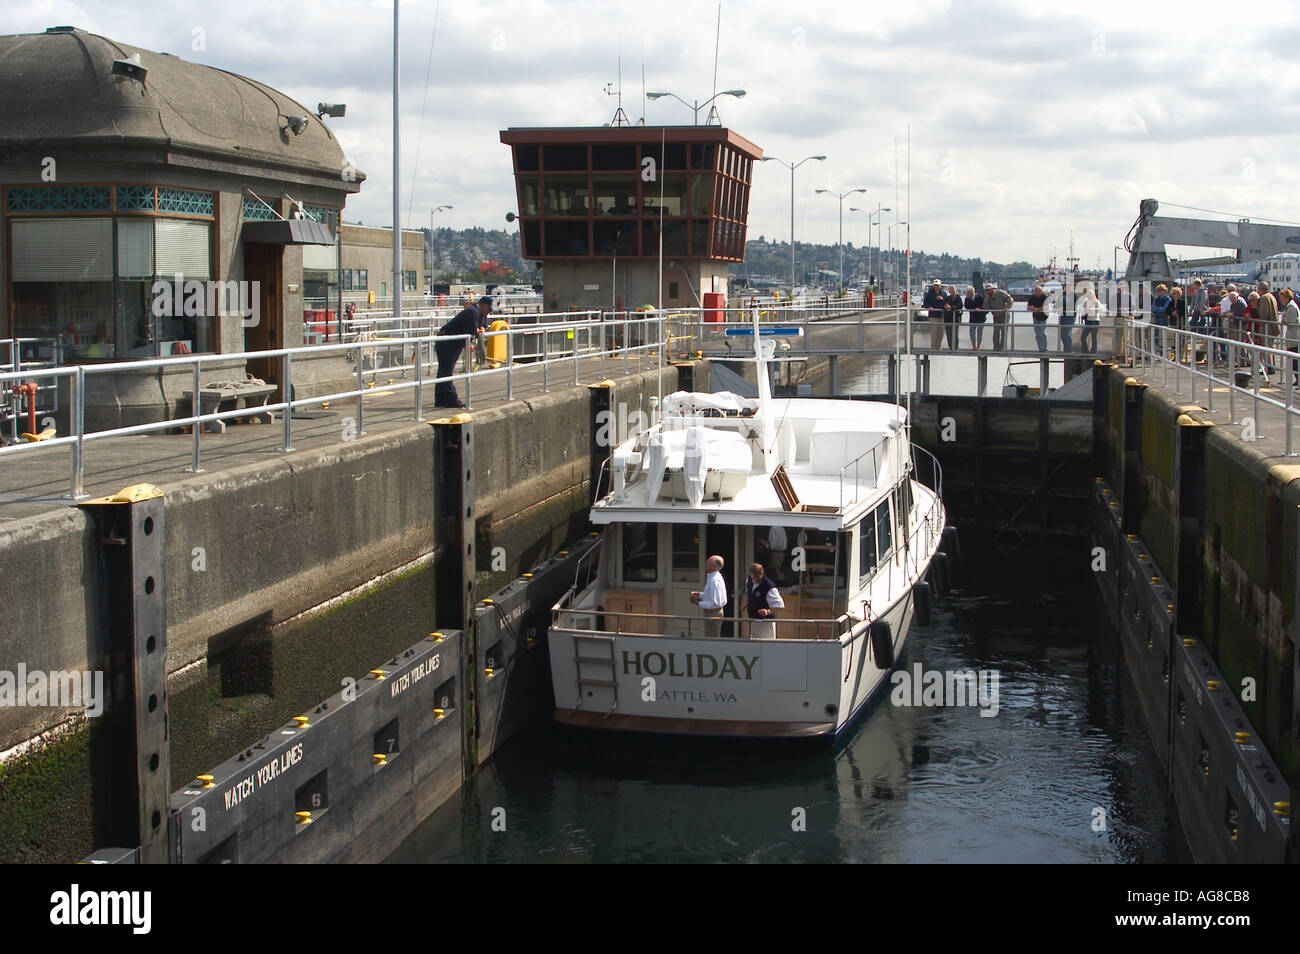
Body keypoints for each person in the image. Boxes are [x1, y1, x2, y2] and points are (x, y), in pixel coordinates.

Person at [434, 295, 492, 407]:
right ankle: (451, 399)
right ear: (483, 305)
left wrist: (483, 328)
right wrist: (478, 330)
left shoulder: (480, 313)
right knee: (446, 371)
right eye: (489, 309)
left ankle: (440, 400)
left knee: (443, 371)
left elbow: (483, 324)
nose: (489, 312)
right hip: (447, 342)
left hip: (453, 343)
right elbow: (473, 329)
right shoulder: (473, 311)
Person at [742, 563, 785, 639]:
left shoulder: (769, 587)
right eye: (752, 577)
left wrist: (767, 611)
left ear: (761, 574)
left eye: (756, 577)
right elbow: (750, 594)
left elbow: (779, 605)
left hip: (766, 623)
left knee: (766, 646)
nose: (753, 579)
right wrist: (746, 603)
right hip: (753, 620)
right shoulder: (749, 581)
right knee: (754, 646)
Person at [690, 554, 728, 638]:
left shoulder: (714, 580)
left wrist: (698, 603)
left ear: (714, 567)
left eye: (708, 564)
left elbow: (715, 603)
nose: (705, 565)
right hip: (712, 612)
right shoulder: (713, 577)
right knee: (710, 637)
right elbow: (711, 596)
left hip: (713, 613)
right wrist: (699, 594)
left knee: (712, 639)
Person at [1280, 288, 1300, 385]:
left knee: (1294, 360)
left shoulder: (1291, 307)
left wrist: (1284, 319)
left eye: (1282, 298)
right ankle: (1297, 379)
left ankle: (1298, 379)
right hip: (1293, 336)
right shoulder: (1290, 306)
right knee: (1293, 360)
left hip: (1294, 337)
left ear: (1287, 297)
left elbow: (1290, 322)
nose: (1281, 300)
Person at [984, 282, 1012, 351]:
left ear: (993, 289)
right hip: (996, 316)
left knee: (1004, 332)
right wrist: (986, 299)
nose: (987, 291)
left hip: (1004, 315)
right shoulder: (988, 297)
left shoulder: (1000, 293)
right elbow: (986, 308)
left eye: (989, 290)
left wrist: (1007, 307)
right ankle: (996, 347)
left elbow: (1010, 299)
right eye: (986, 290)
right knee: (996, 332)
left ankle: (1002, 348)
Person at [1079, 283, 1102, 354]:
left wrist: (1093, 309)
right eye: (1088, 295)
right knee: (1083, 337)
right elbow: (1081, 311)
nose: (1090, 296)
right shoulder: (1085, 302)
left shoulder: (1096, 302)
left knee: (1094, 338)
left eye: (1091, 295)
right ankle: (1085, 350)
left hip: (1095, 321)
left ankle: (1093, 351)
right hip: (1088, 321)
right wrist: (1085, 311)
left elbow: (1102, 309)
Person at [923, 279, 946, 350]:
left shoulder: (943, 293)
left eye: (937, 285)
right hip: (933, 315)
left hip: (941, 315)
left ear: (940, 286)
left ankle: (938, 346)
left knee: (941, 332)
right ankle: (933, 347)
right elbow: (925, 303)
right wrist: (929, 307)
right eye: (935, 285)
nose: (936, 287)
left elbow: (946, 302)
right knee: (934, 331)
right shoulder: (929, 293)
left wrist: (942, 299)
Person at [1149, 283, 1171, 355]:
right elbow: (1152, 308)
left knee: (1163, 336)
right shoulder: (1156, 299)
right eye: (1159, 291)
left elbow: (1165, 309)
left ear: (1165, 291)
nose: (1160, 292)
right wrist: (1159, 308)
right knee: (1156, 337)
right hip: (1156, 319)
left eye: (1162, 291)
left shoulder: (1167, 299)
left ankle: (1163, 353)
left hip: (1164, 319)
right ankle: (1159, 352)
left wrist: (1157, 309)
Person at [1027, 284, 1049, 352]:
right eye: (1035, 291)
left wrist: (1038, 309)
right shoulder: (1032, 297)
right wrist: (1034, 308)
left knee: (1042, 333)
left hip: (1043, 317)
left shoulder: (1045, 297)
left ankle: (1044, 348)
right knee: (1037, 334)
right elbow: (1028, 307)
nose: (1036, 292)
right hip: (1035, 317)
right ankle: (1040, 348)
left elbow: (1046, 307)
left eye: (1038, 291)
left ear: (1041, 291)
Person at [965, 285, 987, 349]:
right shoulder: (967, 299)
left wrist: (979, 309)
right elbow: (966, 306)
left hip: (981, 318)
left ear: (971, 292)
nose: (967, 294)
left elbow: (984, 306)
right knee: (972, 332)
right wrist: (972, 308)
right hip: (972, 318)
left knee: (979, 333)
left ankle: (978, 347)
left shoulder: (980, 297)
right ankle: (974, 346)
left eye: (967, 293)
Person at [944, 285, 962, 349]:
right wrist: (945, 306)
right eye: (951, 290)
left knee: (955, 334)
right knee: (949, 334)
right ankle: (950, 347)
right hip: (948, 319)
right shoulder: (947, 298)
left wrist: (951, 307)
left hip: (955, 319)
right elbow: (944, 305)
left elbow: (960, 306)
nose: (952, 291)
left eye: (953, 290)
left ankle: (956, 347)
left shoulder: (958, 298)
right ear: (949, 291)